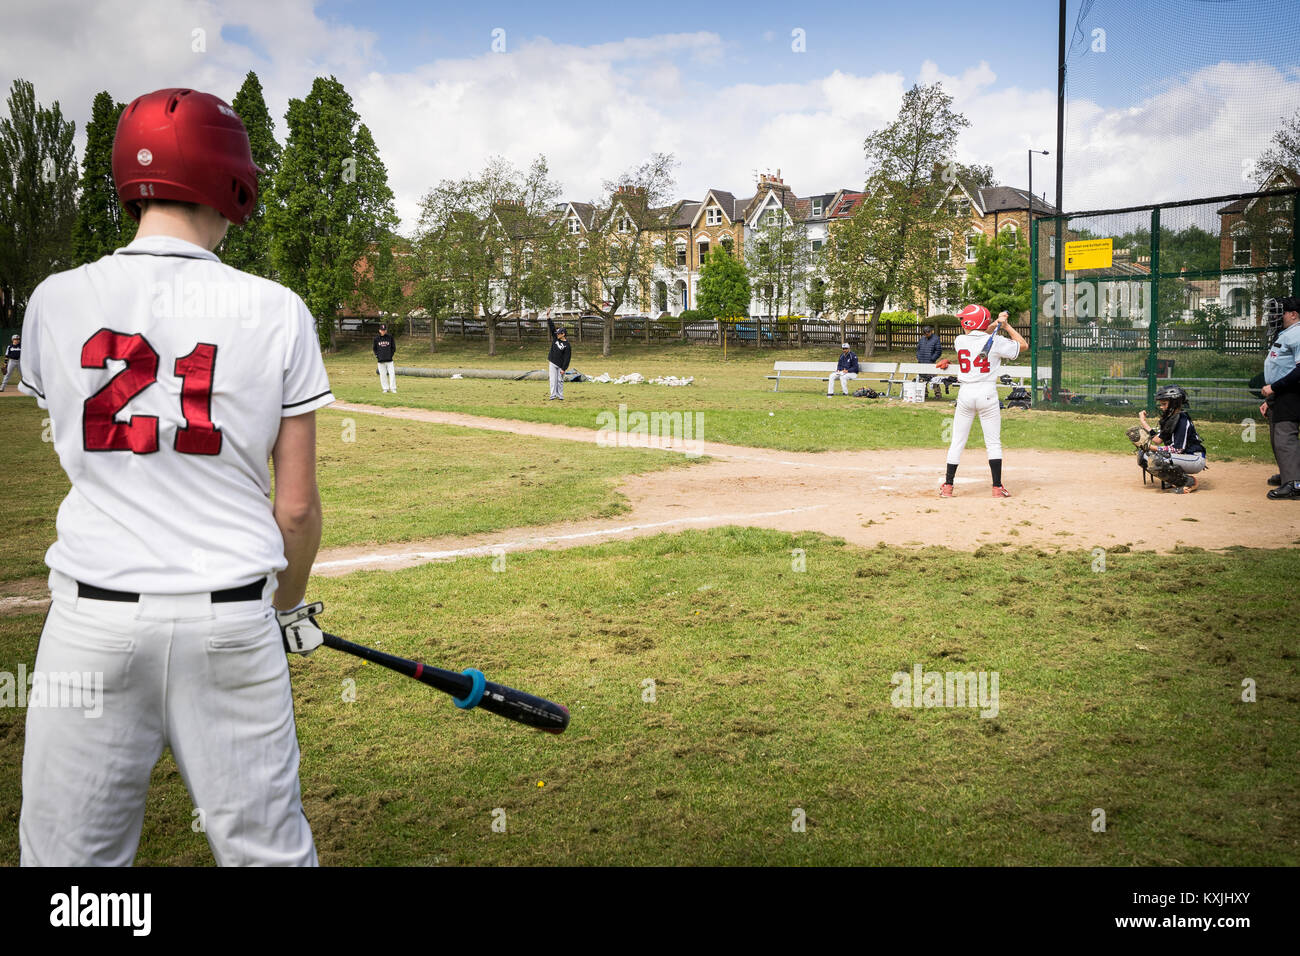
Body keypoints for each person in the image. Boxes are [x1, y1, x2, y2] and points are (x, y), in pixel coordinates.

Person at [17, 87, 333, 866]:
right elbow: (293, 510)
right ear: (229, 177)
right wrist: (285, 612)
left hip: (89, 622)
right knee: (266, 854)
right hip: (230, 620)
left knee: (70, 868)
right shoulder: (277, 308)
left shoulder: (54, 301)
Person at [939, 304, 1027, 498]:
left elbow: (979, 332)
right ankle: (997, 487)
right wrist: (1006, 326)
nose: (962, 322)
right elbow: (1022, 345)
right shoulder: (995, 341)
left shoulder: (959, 340)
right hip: (987, 393)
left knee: (957, 441)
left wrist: (996, 323)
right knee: (993, 442)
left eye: (964, 320)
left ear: (969, 322)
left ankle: (948, 486)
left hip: (966, 394)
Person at [1131, 384, 1206, 494]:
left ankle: (1189, 482)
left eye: (1164, 404)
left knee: (1156, 459)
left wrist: (1150, 447)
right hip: (1183, 457)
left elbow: (1178, 449)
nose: (1161, 407)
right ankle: (1174, 480)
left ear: (1175, 403)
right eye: (1161, 404)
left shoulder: (1182, 420)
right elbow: (1157, 439)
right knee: (1144, 455)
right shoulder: (1171, 419)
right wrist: (1143, 422)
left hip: (1194, 458)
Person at [1261, 296, 1300, 499]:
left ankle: (1294, 483)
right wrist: (1269, 398)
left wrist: (1275, 387)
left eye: (1281, 312)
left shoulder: (1298, 333)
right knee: (1277, 437)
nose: (1276, 316)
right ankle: (1290, 474)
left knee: (1285, 438)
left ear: (1293, 314)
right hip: (1279, 393)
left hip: (1291, 393)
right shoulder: (1286, 333)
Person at [915, 324, 946, 398]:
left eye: (927, 333)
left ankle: (937, 394)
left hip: (930, 362)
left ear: (931, 332)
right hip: (921, 362)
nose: (926, 334)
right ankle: (924, 393)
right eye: (925, 333)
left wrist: (932, 359)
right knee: (922, 378)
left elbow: (938, 351)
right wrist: (918, 357)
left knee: (934, 378)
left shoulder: (936, 339)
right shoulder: (922, 339)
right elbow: (918, 349)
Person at [547, 317, 570, 400]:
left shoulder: (567, 345)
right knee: (553, 380)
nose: (557, 334)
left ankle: (560, 395)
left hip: (561, 365)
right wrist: (548, 318)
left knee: (560, 381)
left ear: (563, 334)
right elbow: (552, 327)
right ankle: (553, 395)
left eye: (559, 333)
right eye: (557, 333)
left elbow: (567, 358)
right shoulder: (555, 338)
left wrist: (564, 368)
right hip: (553, 362)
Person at [373, 322, 397, 393]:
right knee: (382, 375)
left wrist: (390, 355)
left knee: (392, 374)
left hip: (389, 360)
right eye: (382, 330)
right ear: (379, 330)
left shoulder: (390, 337)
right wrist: (377, 356)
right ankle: (385, 388)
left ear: (386, 330)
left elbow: (393, 348)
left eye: (384, 330)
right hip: (380, 360)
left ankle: (393, 388)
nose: (383, 331)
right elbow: (374, 348)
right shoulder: (376, 338)